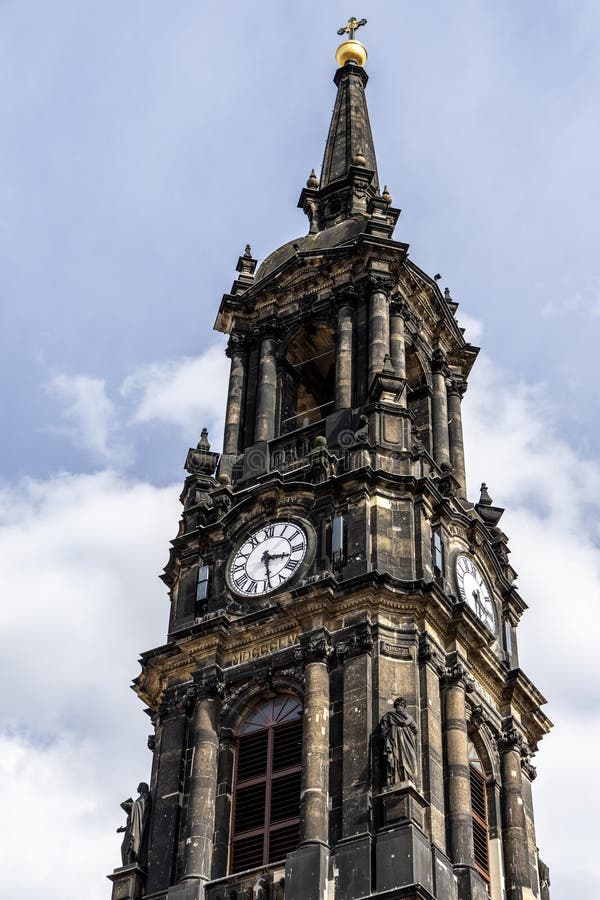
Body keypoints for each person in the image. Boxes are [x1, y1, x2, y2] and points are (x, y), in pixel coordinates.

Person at [380, 697, 418, 786]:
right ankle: (396, 779)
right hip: (395, 742)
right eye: (397, 705)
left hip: (407, 742)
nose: (399, 707)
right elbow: (384, 730)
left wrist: (405, 730)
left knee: (410, 759)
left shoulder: (410, 718)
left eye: (401, 705)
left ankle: (408, 777)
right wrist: (390, 734)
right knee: (396, 760)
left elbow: (416, 730)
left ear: (404, 707)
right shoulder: (389, 716)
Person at [117, 782, 151, 867]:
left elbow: (140, 806)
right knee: (124, 848)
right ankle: (127, 866)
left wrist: (129, 805)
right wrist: (123, 829)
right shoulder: (141, 797)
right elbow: (133, 820)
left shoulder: (146, 796)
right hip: (130, 828)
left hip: (135, 830)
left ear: (142, 787)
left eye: (138, 786)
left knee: (128, 847)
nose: (137, 788)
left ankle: (130, 865)